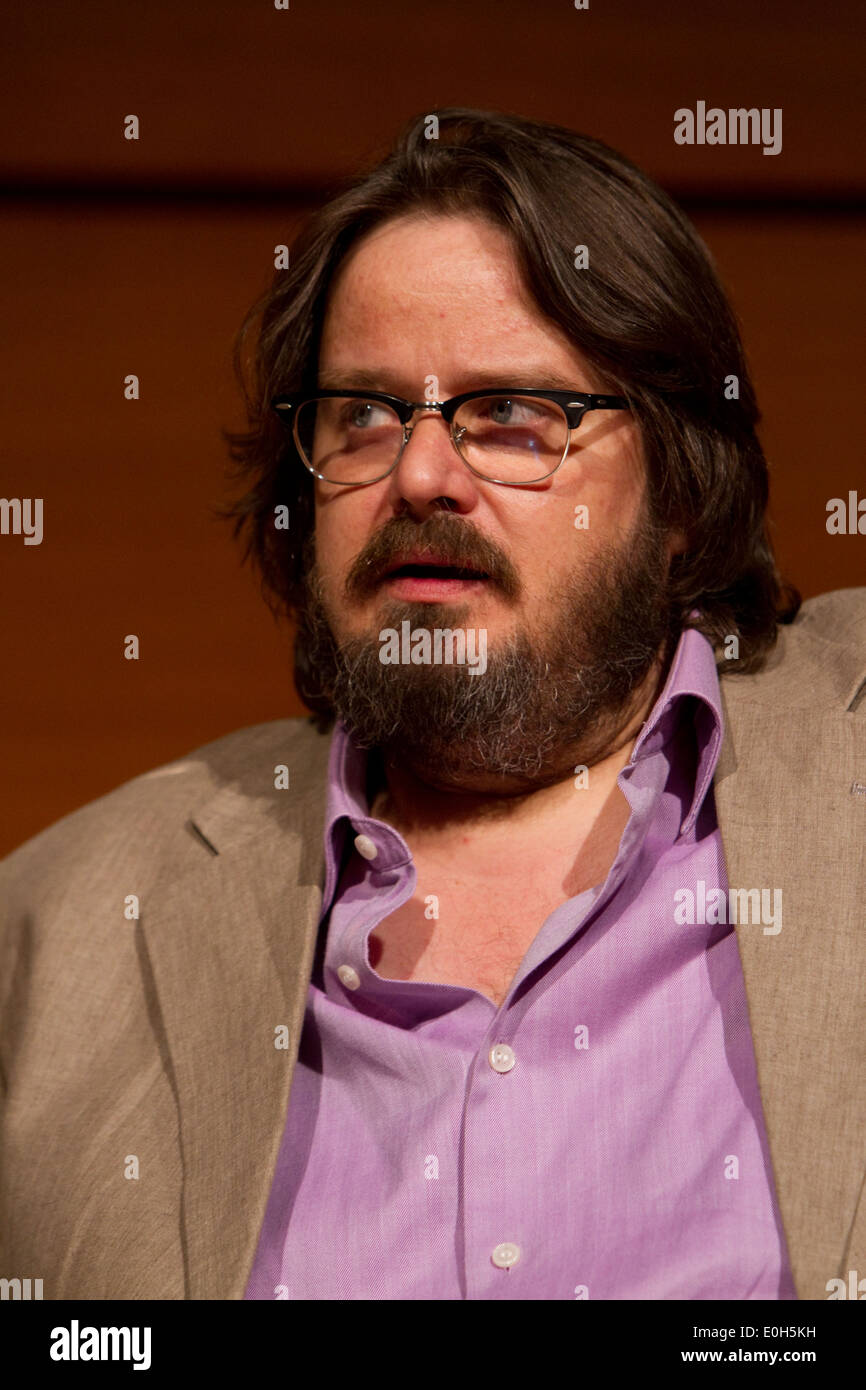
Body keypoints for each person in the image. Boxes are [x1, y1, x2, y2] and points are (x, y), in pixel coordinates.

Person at [1, 108, 864, 1302]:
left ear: (675, 492)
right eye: (360, 415)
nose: (417, 474)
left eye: (511, 415)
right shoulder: (50, 932)